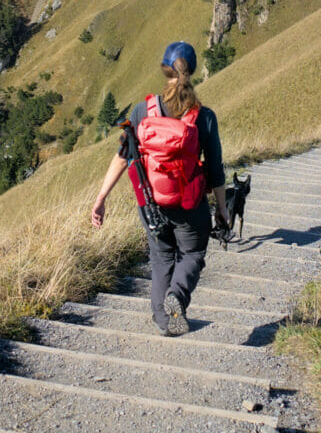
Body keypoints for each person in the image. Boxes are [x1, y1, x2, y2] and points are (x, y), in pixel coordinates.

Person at [90, 41, 228, 337]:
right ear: (191, 71)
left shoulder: (143, 111)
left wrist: (101, 198)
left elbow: (123, 156)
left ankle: (167, 324)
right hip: (189, 204)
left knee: (161, 258)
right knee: (191, 254)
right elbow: (215, 168)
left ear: (165, 71)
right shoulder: (203, 117)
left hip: (151, 203)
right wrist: (223, 210)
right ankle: (177, 296)